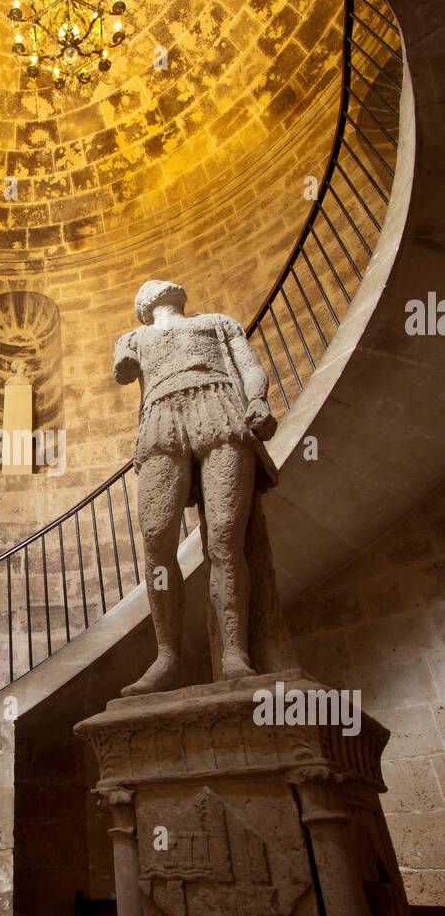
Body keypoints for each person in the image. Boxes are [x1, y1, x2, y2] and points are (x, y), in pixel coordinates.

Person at [114, 278, 277, 694]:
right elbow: (123, 372)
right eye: (152, 288)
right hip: (160, 420)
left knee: (224, 540)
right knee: (156, 542)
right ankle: (167, 656)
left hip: (219, 407)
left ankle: (235, 651)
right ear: (143, 306)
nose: (162, 287)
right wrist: (126, 360)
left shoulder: (219, 323)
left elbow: (249, 366)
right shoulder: (132, 337)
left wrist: (257, 400)